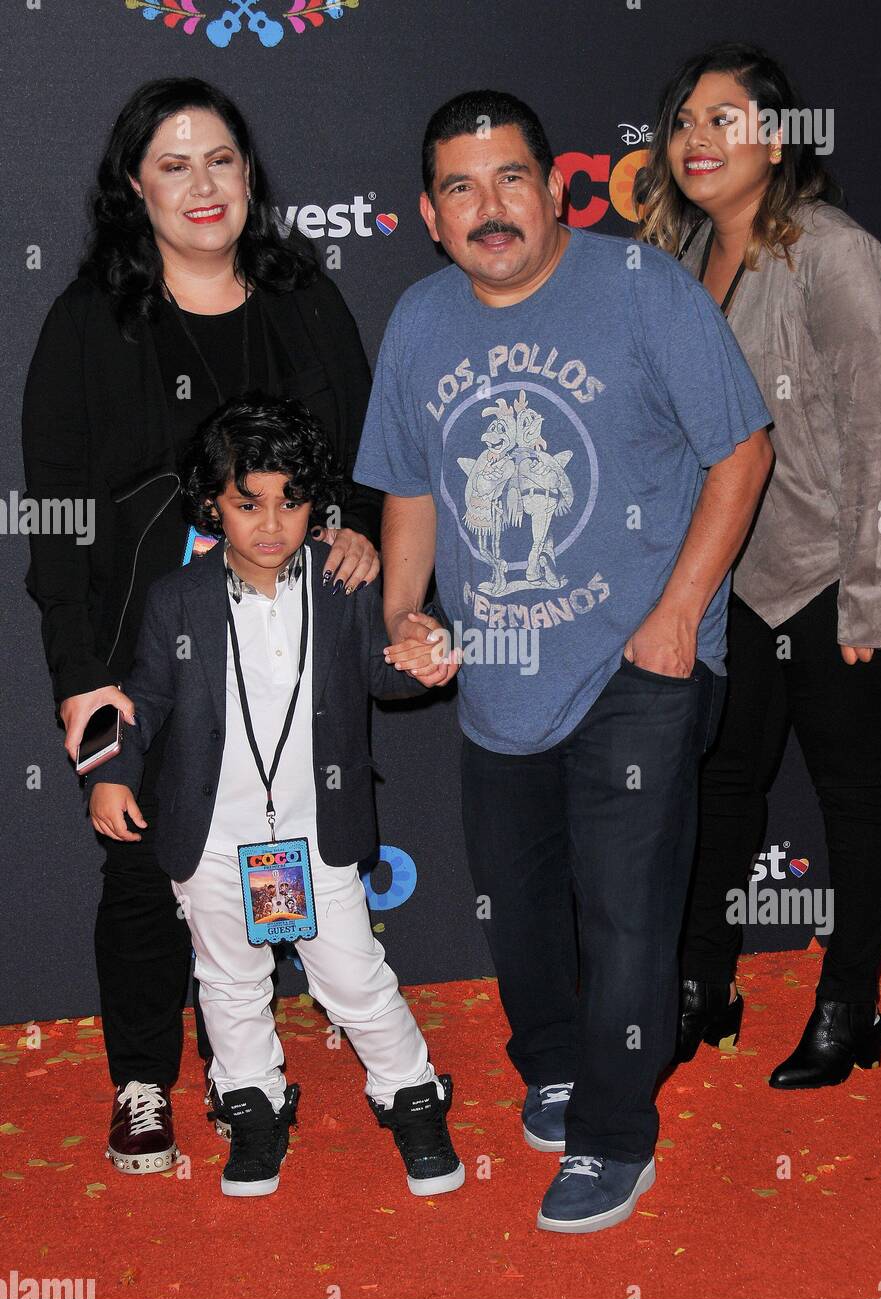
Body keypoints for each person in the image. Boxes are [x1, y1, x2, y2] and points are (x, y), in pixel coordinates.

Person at [358, 90, 773, 1233]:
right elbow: (406, 486)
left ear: (554, 190)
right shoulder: (418, 323)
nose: (489, 208)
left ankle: (613, 1137)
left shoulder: (641, 290)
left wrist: (681, 610)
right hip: (498, 665)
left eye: (508, 180)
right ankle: (553, 1061)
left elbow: (741, 453)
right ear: (430, 216)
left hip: (642, 656)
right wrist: (404, 609)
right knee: (522, 903)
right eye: (460, 187)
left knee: (630, 907)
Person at [22, 78, 382, 1174]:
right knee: (145, 870)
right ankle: (141, 1082)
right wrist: (84, 683)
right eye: (173, 165)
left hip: (288, 653)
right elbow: (56, 522)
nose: (202, 185)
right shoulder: (92, 319)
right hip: (144, 654)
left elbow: (367, 461)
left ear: (248, 171)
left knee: (286, 848)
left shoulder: (303, 304)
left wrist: (359, 531)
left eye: (219, 159)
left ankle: (248, 1071)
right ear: (135, 185)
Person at [635, 43, 881, 1086]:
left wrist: (868, 598)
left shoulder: (831, 249)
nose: (696, 141)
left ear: (779, 137)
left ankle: (847, 1005)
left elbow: (878, 432)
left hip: (837, 573)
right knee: (719, 788)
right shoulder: (679, 262)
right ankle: (700, 989)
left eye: (723, 119)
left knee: (855, 792)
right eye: (682, 122)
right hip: (730, 581)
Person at [85, 393, 464, 1199]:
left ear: (315, 503)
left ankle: (411, 1095)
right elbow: (142, 701)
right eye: (247, 502)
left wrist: (421, 654)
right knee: (227, 982)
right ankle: (252, 1106)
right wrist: (112, 774)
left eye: (291, 501)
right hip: (212, 839)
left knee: (357, 978)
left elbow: (379, 676)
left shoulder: (344, 586)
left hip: (316, 835)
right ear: (210, 504)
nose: (270, 522)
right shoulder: (174, 598)